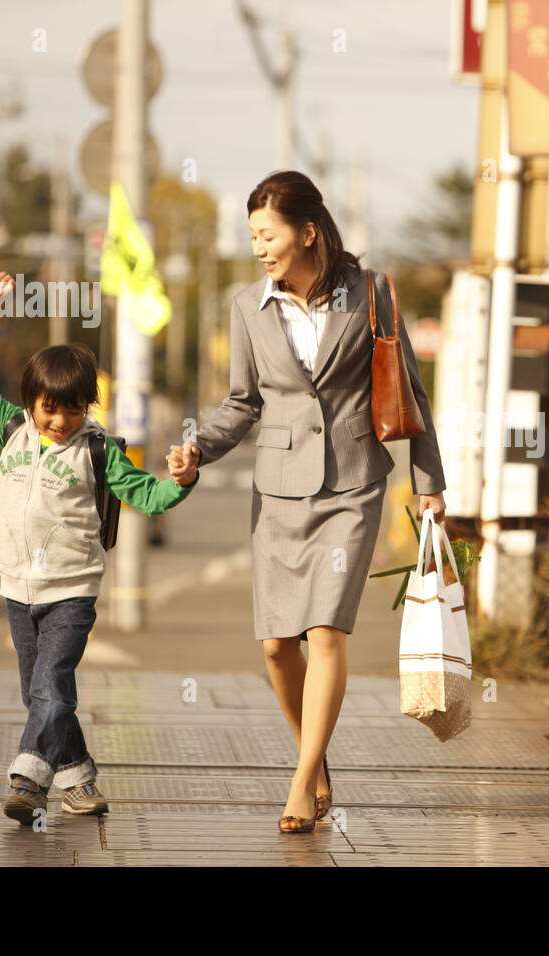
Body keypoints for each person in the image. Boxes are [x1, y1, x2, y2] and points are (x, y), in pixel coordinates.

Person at [167, 170, 447, 834]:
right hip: (279, 490)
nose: (260, 247)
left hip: (353, 485)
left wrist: (430, 483)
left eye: (270, 234)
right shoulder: (246, 306)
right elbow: (242, 403)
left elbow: (410, 390)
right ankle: (313, 757)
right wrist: (197, 449)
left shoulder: (373, 293)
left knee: (324, 631)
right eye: (254, 236)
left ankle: (300, 780)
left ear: (308, 231)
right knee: (274, 645)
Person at [0, 270, 199, 826]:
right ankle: (79, 780)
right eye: (48, 409)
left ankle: (28, 781)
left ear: (89, 405)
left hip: (71, 590)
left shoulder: (99, 451)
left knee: (49, 686)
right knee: (43, 694)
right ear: (30, 402)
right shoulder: (11, 428)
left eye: (72, 409)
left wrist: (181, 481)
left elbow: (147, 496)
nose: (59, 421)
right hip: (17, 587)